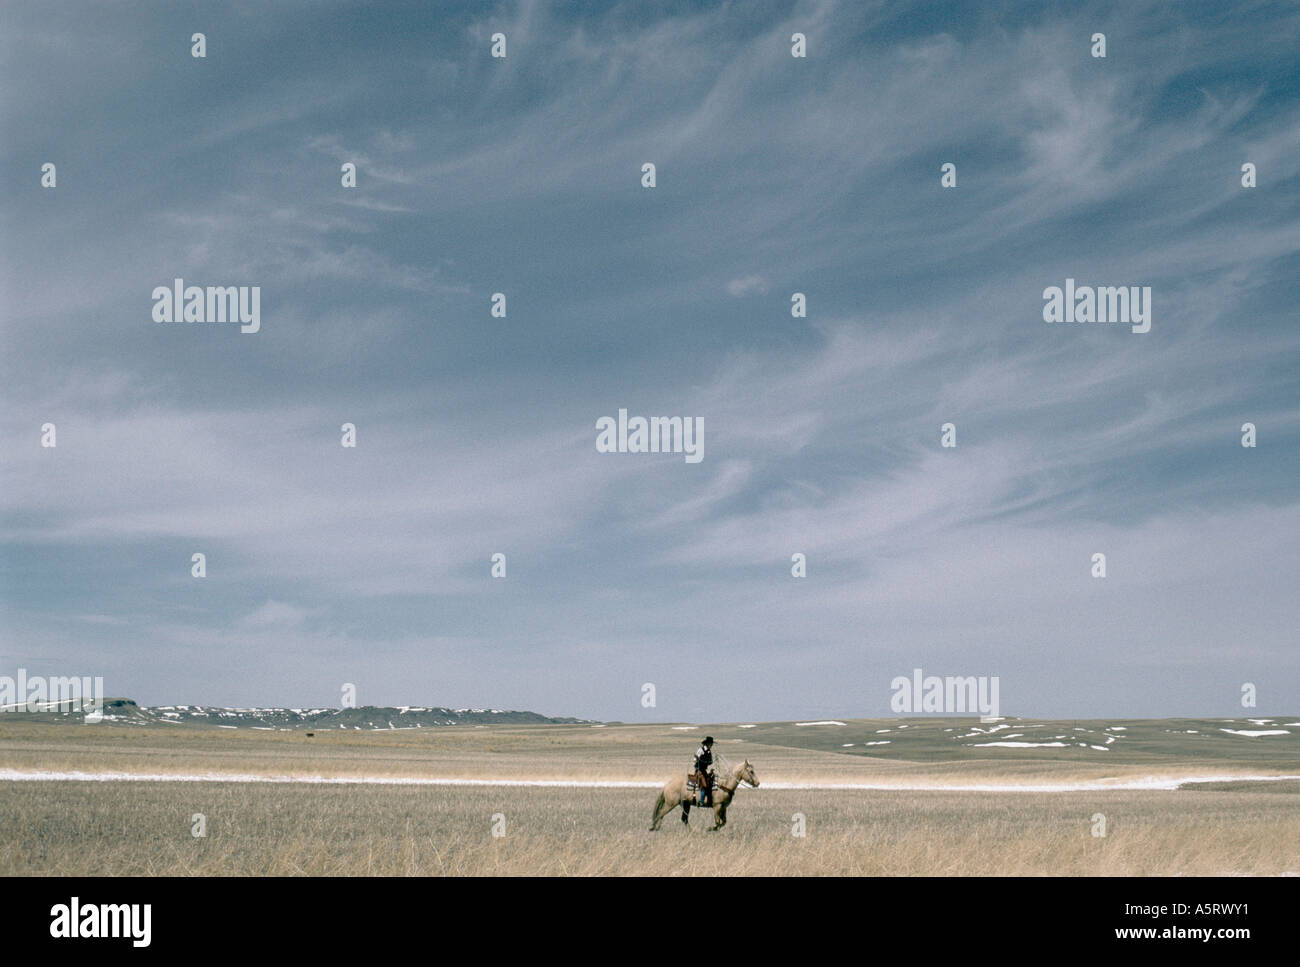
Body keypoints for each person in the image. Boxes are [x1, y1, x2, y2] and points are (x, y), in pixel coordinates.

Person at [693, 736, 715, 806]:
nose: (711, 745)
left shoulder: (709, 752)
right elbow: (694, 760)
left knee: (711, 781)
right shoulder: (700, 750)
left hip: (704, 770)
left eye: (712, 744)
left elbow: (711, 761)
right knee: (704, 784)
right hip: (699, 770)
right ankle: (701, 801)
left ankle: (710, 800)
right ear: (707, 743)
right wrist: (699, 760)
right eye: (711, 744)